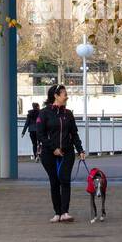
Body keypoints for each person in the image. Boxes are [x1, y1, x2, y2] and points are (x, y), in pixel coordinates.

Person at [37, 84, 85, 222]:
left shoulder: (68, 114)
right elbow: (40, 135)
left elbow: (74, 133)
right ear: (56, 96)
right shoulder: (44, 113)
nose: (67, 96)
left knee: (65, 179)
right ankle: (57, 213)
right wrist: (53, 148)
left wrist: (80, 149)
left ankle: (65, 212)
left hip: (67, 152)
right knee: (54, 181)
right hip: (48, 153)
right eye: (64, 93)